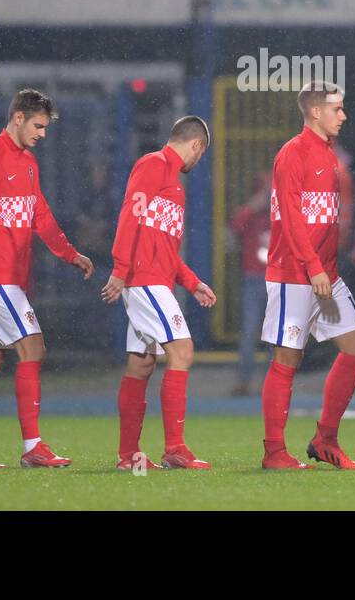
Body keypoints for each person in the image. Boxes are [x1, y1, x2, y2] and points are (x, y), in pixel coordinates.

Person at [0, 88, 94, 468]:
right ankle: (33, 447)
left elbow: (39, 214)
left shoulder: (28, 162)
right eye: (38, 126)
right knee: (33, 347)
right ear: (18, 118)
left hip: (10, 276)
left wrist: (69, 253)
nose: (43, 134)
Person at [259, 81, 355, 470]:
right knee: (287, 359)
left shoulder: (329, 154)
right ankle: (274, 452)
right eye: (337, 109)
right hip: (295, 274)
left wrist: (326, 266)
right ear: (315, 112)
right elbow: (289, 220)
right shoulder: (293, 154)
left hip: (326, 273)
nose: (343, 115)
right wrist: (313, 266)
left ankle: (325, 439)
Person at [101, 116, 216, 471]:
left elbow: (164, 248)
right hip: (144, 281)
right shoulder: (153, 165)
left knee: (141, 364)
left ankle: (127, 457)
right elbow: (129, 218)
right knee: (182, 350)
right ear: (196, 145)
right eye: (202, 153)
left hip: (152, 280)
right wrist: (120, 270)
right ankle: (175, 449)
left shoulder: (173, 184)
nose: (199, 162)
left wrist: (192, 282)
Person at [229, 171, 272, 396]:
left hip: (278, 281)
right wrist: (254, 206)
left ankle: (271, 384)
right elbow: (234, 228)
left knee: (276, 337)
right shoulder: (250, 214)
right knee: (249, 331)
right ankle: (243, 381)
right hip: (254, 279)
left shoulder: (282, 214)